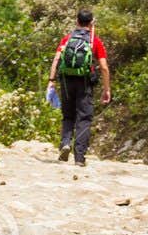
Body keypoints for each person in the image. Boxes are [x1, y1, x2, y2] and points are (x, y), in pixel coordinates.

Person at [47, 10, 111, 167]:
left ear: (77, 21)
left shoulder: (67, 39)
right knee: (84, 118)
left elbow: (56, 59)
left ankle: (65, 144)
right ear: (91, 23)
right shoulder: (94, 41)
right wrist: (106, 88)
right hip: (84, 83)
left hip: (66, 82)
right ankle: (79, 158)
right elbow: (103, 67)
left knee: (68, 115)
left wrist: (51, 81)